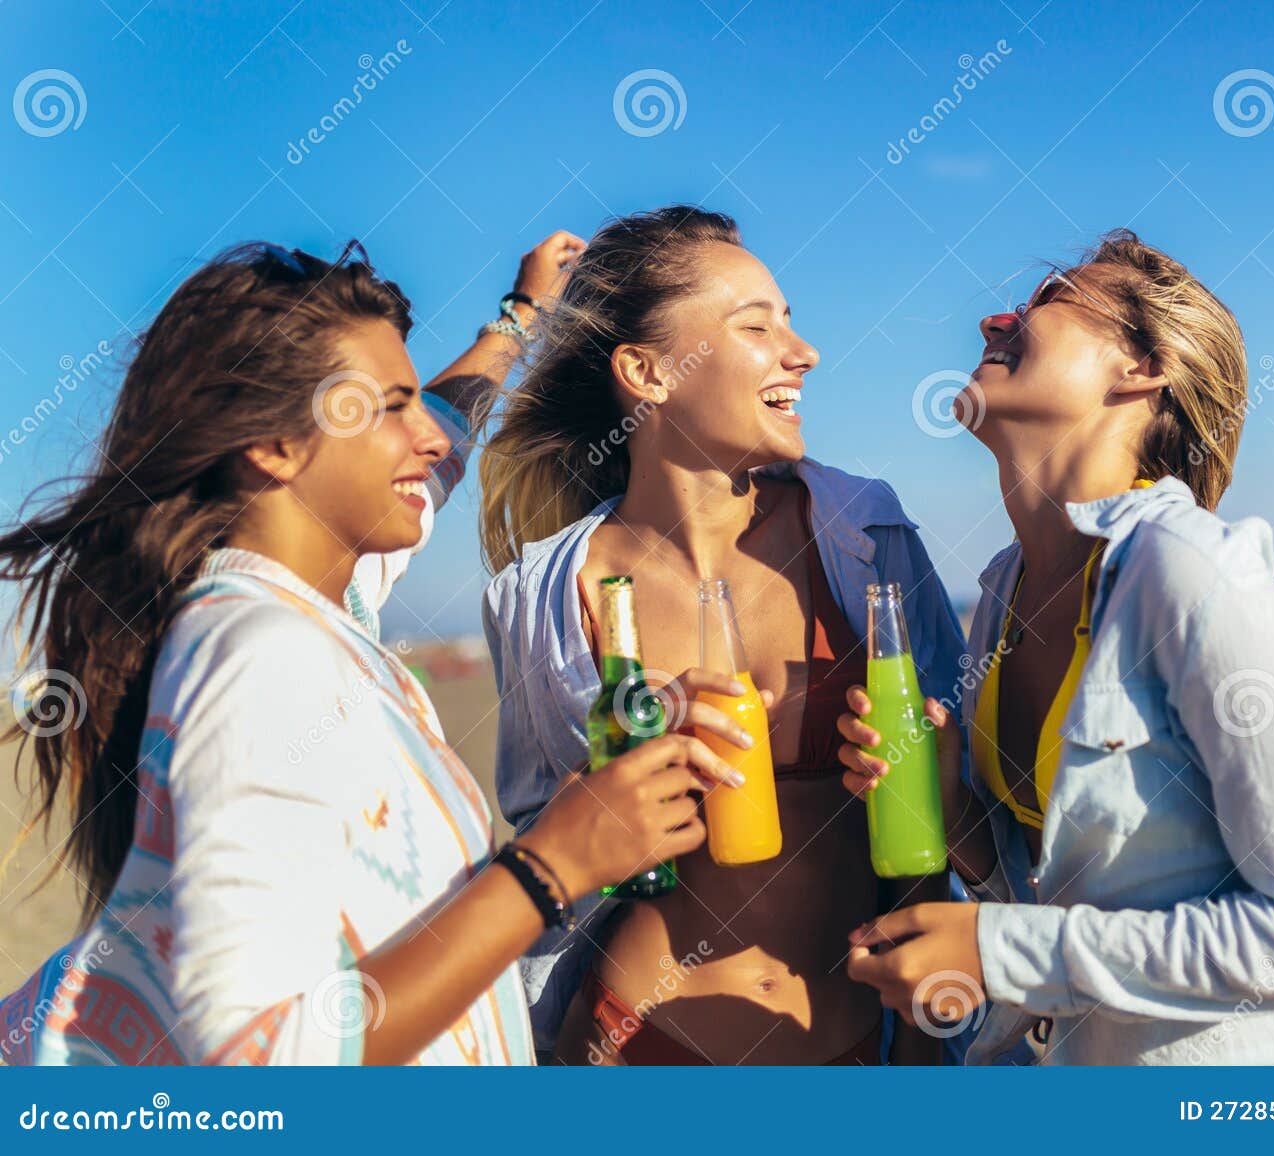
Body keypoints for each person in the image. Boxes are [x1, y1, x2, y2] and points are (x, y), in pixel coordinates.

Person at [0, 238, 741, 1065]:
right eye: (390, 405)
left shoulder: (316, 613)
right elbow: (256, 1057)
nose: (427, 435)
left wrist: (519, 317)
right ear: (273, 445)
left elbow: (446, 443)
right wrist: (548, 867)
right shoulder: (260, 653)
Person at [837, 230, 1274, 1064]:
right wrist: (957, 816)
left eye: (1046, 299)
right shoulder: (1003, 588)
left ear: (1141, 369)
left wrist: (998, 952)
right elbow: (1060, 889)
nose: (995, 319)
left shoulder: (1187, 568)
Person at [480, 205, 969, 1065]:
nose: (803, 351)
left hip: (861, 1036)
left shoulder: (866, 531)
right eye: (758, 325)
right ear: (648, 372)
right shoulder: (544, 597)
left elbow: (966, 801)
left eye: (789, 319)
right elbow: (541, 848)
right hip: (639, 1039)